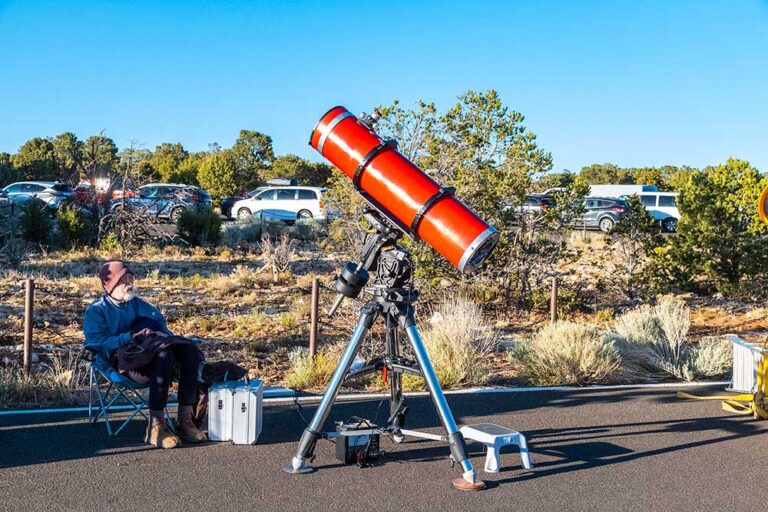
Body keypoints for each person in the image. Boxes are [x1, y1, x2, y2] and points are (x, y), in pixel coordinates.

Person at [83, 260, 207, 449]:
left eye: (130, 277)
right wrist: (130, 337)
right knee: (164, 354)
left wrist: (160, 336)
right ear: (109, 285)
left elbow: (166, 333)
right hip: (122, 364)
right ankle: (155, 426)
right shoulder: (97, 310)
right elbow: (98, 344)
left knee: (188, 349)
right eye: (123, 279)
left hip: (153, 359)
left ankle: (185, 420)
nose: (129, 283)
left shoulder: (142, 306)